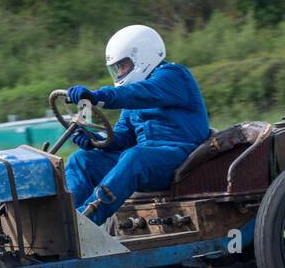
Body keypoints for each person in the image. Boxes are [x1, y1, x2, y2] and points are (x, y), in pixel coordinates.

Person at [64, 24, 211, 223]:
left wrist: (97, 96)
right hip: (147, 159)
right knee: (82, 159)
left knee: (135, 157)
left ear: (142, 57)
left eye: (123, 66)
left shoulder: (173, 75)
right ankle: (63, 221)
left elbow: (141, 93)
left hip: (181, 156)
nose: (119, 73)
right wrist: (94, 140)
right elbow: (122, 137)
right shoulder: (133, 99)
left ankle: (85, 221)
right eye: (116, 68)